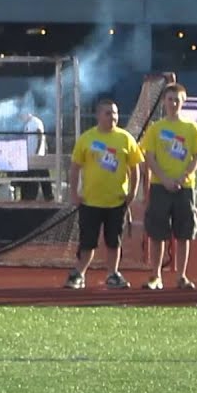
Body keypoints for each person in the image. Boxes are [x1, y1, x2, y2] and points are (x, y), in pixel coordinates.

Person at [64, 98, 142, 290]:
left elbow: (135, 168)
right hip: (90, 201)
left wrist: (132, 192)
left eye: (115, 113)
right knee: (87, 242)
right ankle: (79, 274)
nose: (112, 117)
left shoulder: (126, 138)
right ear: (98, 115)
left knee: (114, 241)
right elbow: (75, 168)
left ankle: (112, 274)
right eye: (108, 113)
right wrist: (74, 193)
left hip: (116, 201)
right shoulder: (87, 139)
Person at [138, 83, 197, 290]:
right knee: (157, 233)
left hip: (184, 187)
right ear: (164, 102)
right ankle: (155, 276)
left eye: (177, 100)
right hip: (160, 186)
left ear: (183, 102)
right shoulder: (156, 128)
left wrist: (184, 176)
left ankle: (181, 276)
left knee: (184, 233)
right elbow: (149, 156)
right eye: (170, 99)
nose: (173, 103)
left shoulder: (191, 128)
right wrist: (164, 179)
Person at [17, 108, 53, 201]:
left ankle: (47, 197)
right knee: (35, 177)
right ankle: (30, 197)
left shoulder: (35, 122)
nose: (21, 118)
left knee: (39, 177)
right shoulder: (27, 124)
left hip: (37, 156)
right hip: (30, 156)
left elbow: (40, 135)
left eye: (22, 115)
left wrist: (38, 152)